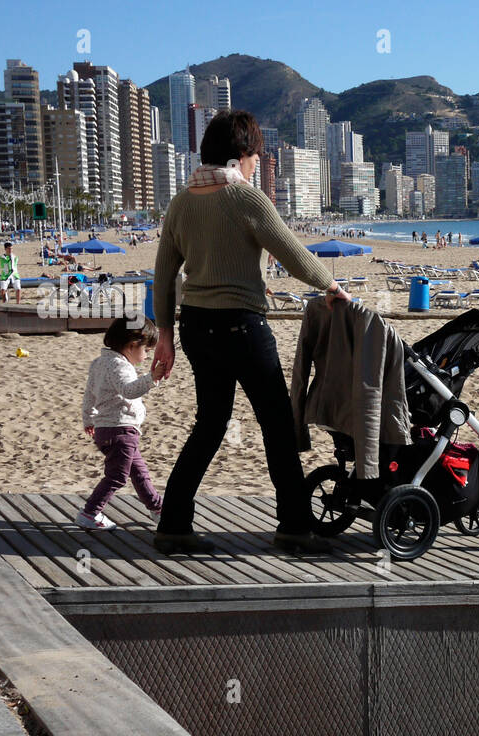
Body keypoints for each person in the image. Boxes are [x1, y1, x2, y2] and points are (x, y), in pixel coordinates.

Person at [151, 109, 350, 556]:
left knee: (210, 424)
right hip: (242, 326)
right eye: (257, 155)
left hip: (196, 328)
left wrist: (165, 334)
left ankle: (174, 523)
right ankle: (295, 528)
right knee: (277, 426)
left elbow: (163, 275)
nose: (258, 162)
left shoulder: (181, 202)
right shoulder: (247, 198)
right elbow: (294, 254)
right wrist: (332, 286)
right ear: (242, 154)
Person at [78, 316, 165, 530]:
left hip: (107, 430)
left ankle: (158, 509)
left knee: (139, 472)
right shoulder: (120, 366)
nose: (146, 356)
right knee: (117, 476)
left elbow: (89, 394)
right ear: (132, 345)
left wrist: (89, 418)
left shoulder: (99, 363)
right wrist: (151, 378)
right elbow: (128, 390)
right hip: (120, 431)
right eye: (146, 350)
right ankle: (90, 513)